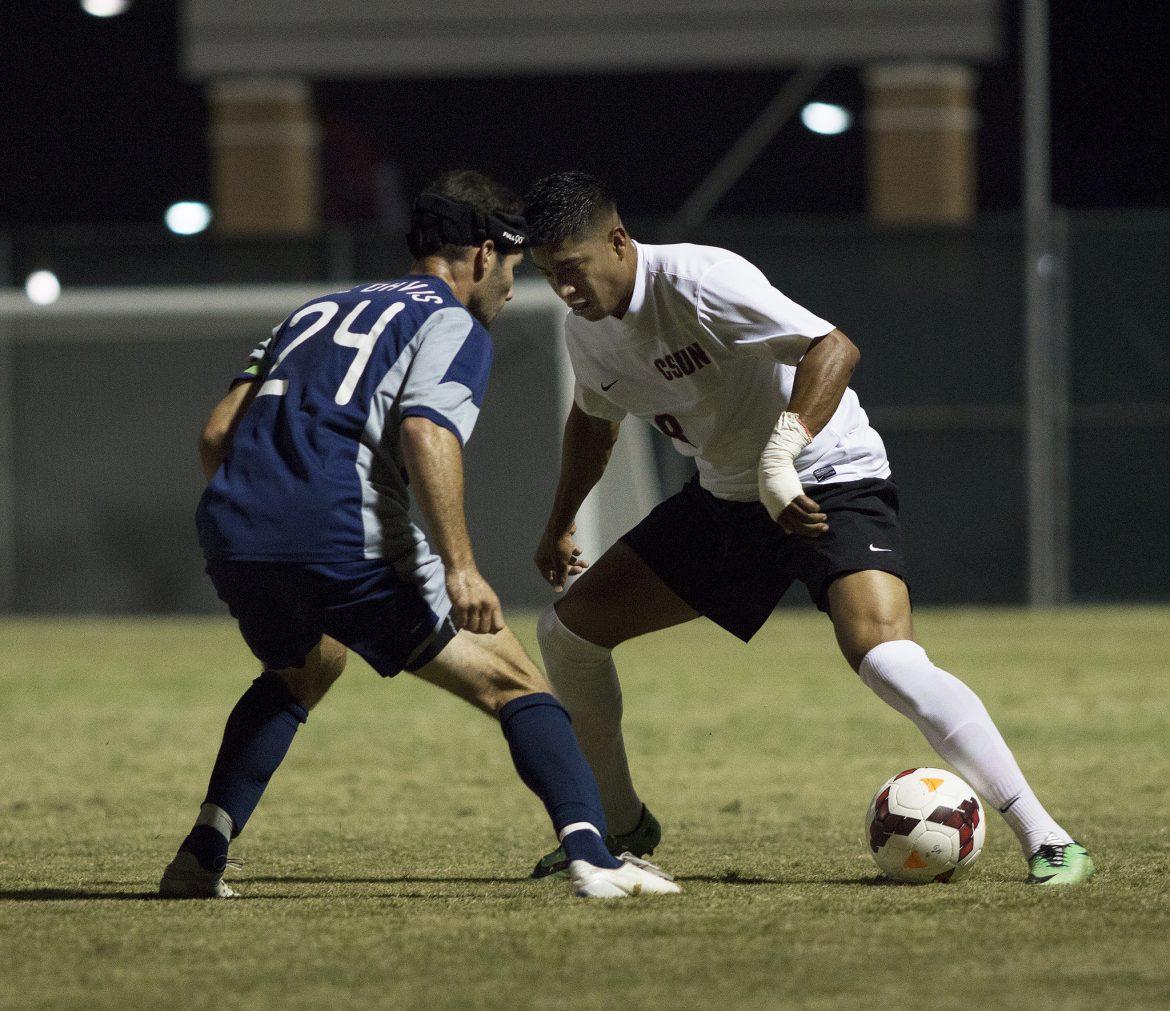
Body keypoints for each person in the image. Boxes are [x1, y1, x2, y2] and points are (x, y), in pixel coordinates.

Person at [522, 171, 1094, 886]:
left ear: (616, 240)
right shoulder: (588, 334)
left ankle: (1047, 835)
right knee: (566, 635)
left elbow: (833, 347)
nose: (565, 289)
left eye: (571, 269)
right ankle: (618, 822)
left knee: (886, 658)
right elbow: (594, 422)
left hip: (829, 477)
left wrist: (781, 456)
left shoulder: (701, 278)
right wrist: (560, 520)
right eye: (549, 274)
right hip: (728, 501)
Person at [159, 170, 680, 900]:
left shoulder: (314, 310)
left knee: (302, 671)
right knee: (517, 683)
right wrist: (461, 568)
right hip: (344, 531)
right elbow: (425, 427)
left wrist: (254, 523)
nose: (508, 284)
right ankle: (597, 858)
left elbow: (218, 431)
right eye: (509, 265)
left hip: (234, 529)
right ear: (480, 254)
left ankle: (202, 849)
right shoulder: (452, 319)